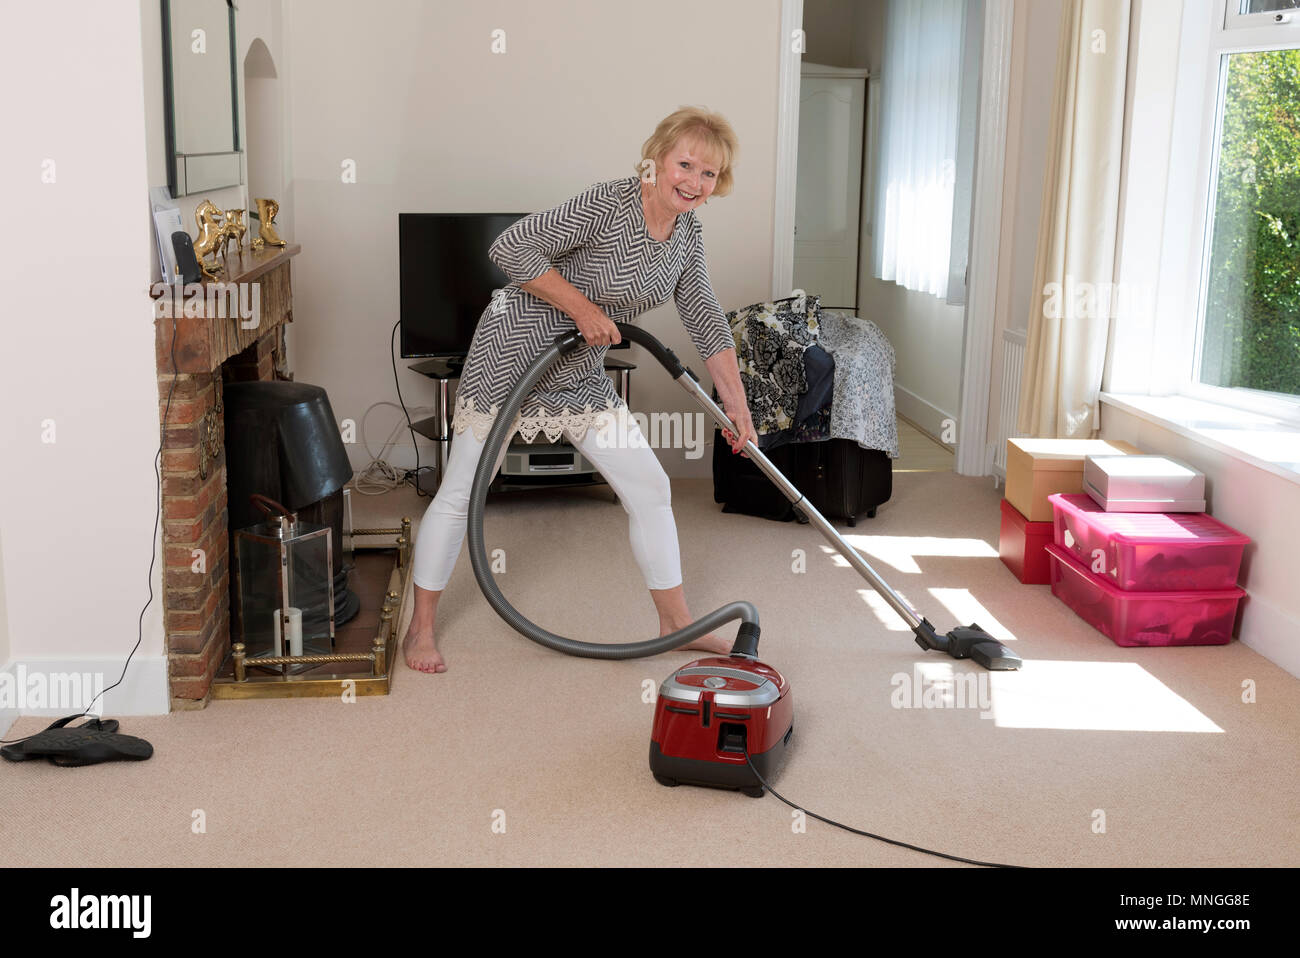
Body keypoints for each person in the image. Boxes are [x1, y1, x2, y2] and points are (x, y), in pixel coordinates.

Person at [403, 106, 758, 673]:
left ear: (719, 184)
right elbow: (509, 246)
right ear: (658, 160)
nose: (693, 181)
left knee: (649, 485)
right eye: (684, 164)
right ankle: (420, 629)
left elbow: (705, 317)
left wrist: (737, 410)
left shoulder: (686, 233)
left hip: (579, 368)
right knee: (464, 490)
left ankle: (676, 625)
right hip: (514, 352)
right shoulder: (611, 202)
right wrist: (584, 307)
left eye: (708, 174)